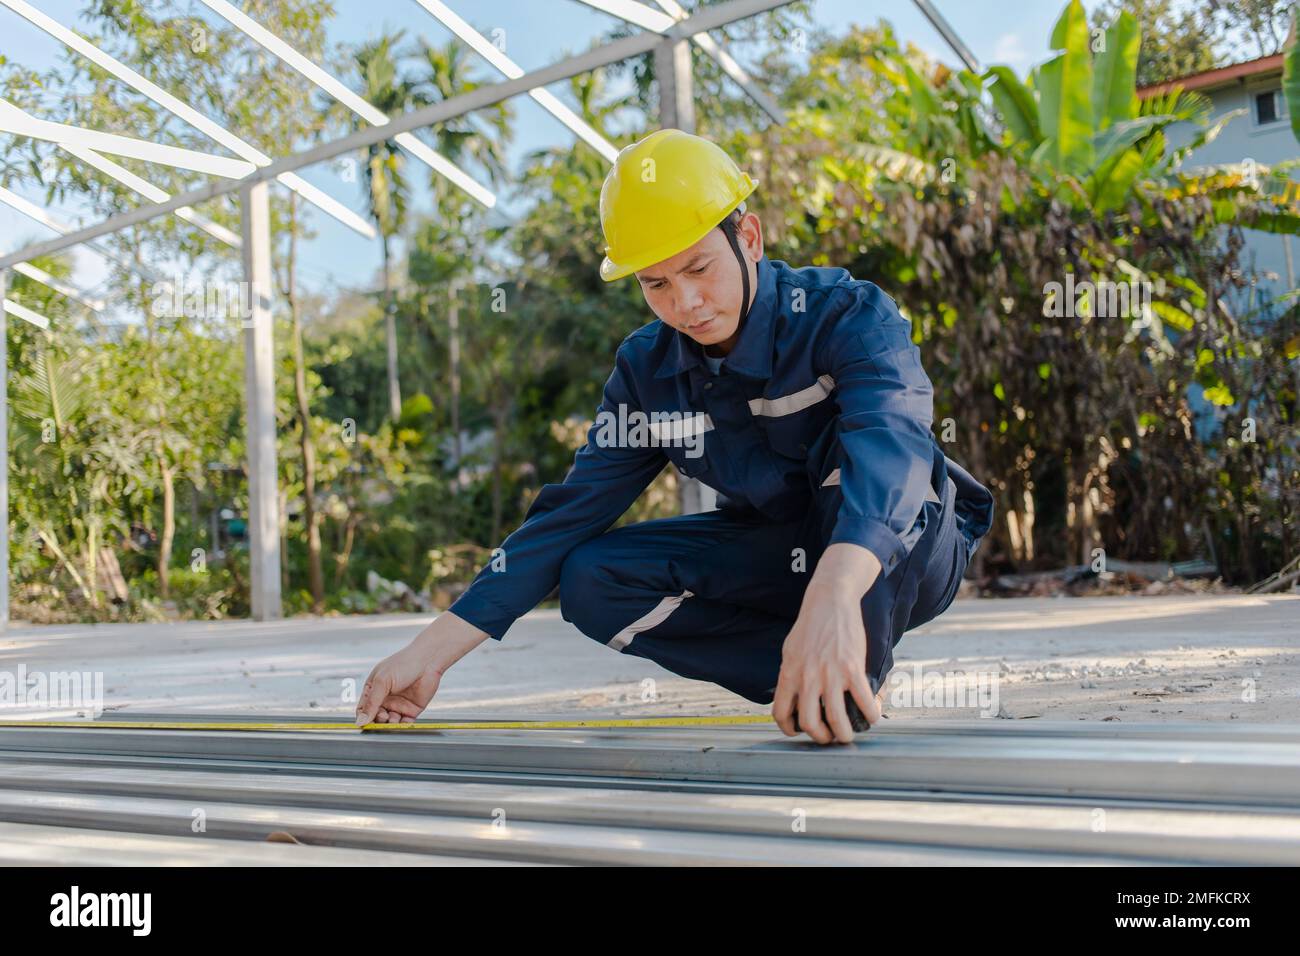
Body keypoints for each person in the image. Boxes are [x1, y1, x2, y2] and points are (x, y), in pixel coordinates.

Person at [356, 128, 994, 744]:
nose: (686, 303)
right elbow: (568, 517)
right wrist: (429, 652)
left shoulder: (847, 315)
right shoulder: (647, 372)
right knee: (589, 576)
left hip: (908, 548)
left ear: (748, 237)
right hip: (779, 556)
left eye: (697, 269)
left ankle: (849, 659)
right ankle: (807, 677)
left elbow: (895, 446)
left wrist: (833, 587)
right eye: (655, 284)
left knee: (854, 450)